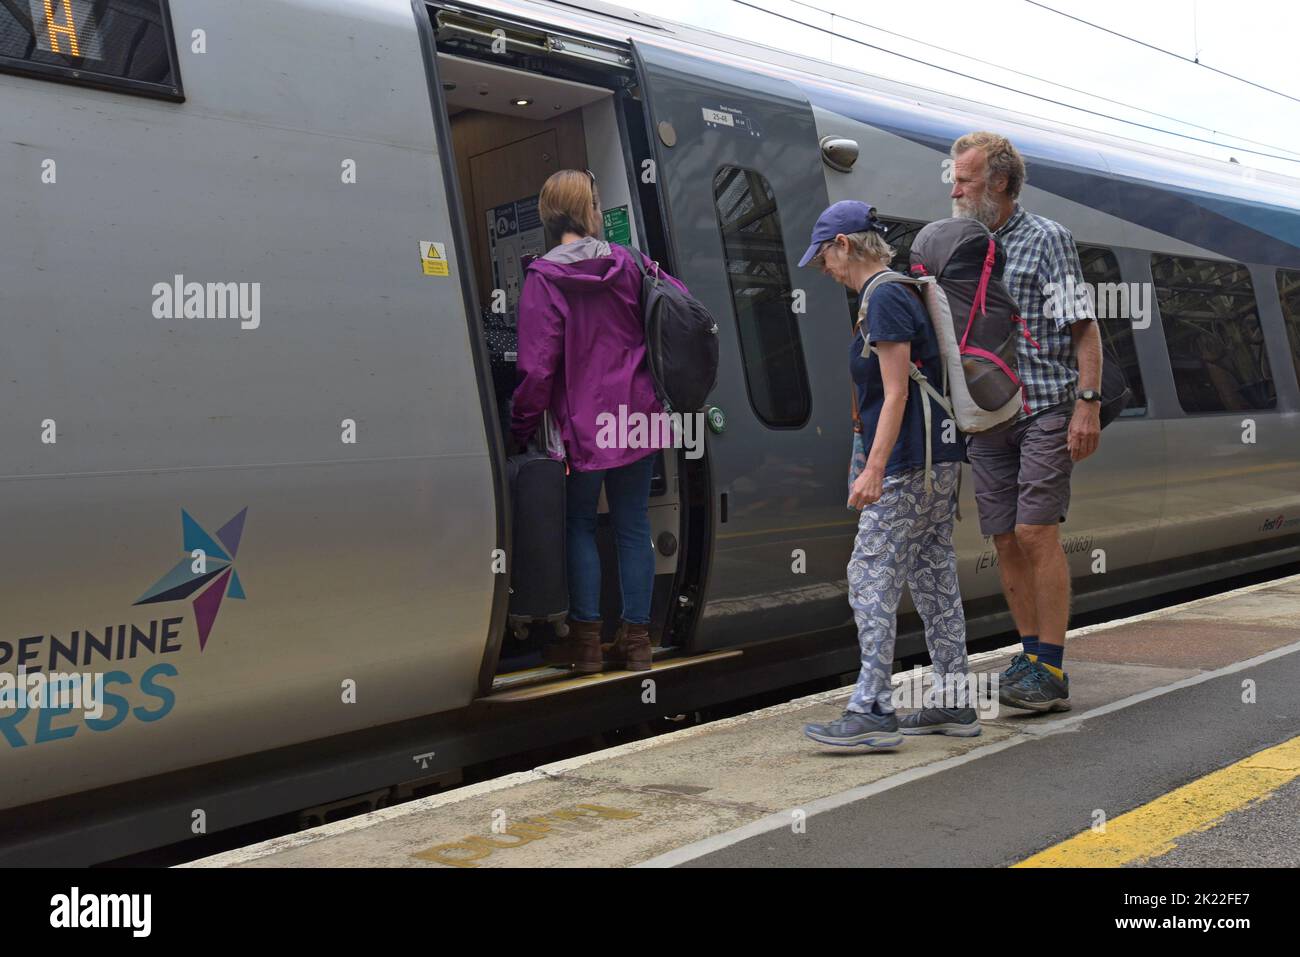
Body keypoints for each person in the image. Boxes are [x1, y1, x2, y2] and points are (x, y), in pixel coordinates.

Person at [799, 201, 978, 748]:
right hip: (936, 462)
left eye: (823, 257)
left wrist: (872, 470)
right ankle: (954, 701)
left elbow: (897, 391)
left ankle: (873, 708)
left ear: (844, 246)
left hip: (907, 464)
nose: (823, 269)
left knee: (869, 575)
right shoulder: (894, 293)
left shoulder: (884, 298)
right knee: (932, 575)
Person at [948, 132, 1104, 712]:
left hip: (1043, 406)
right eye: (956, 179)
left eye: (965, 180)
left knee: (1037, 531)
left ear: (1003, 184)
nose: (956, 189)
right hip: (987, 415)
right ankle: (1031, 652)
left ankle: (1052, 670)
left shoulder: (1046, 240)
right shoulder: (959, 242)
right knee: (1004, 536)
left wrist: (1085, 404)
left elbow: (1084, 328)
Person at [511, 169, 687, 673]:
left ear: (549, 215)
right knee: (634, 522)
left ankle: (587, 643)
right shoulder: (630, 262)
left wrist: (520, 427)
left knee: (580, 524)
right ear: (590, 208)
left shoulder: (544, 278)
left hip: (584, 422)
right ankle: (637, 642)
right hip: (639, 414)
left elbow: (537, 367)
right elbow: (675, 310)